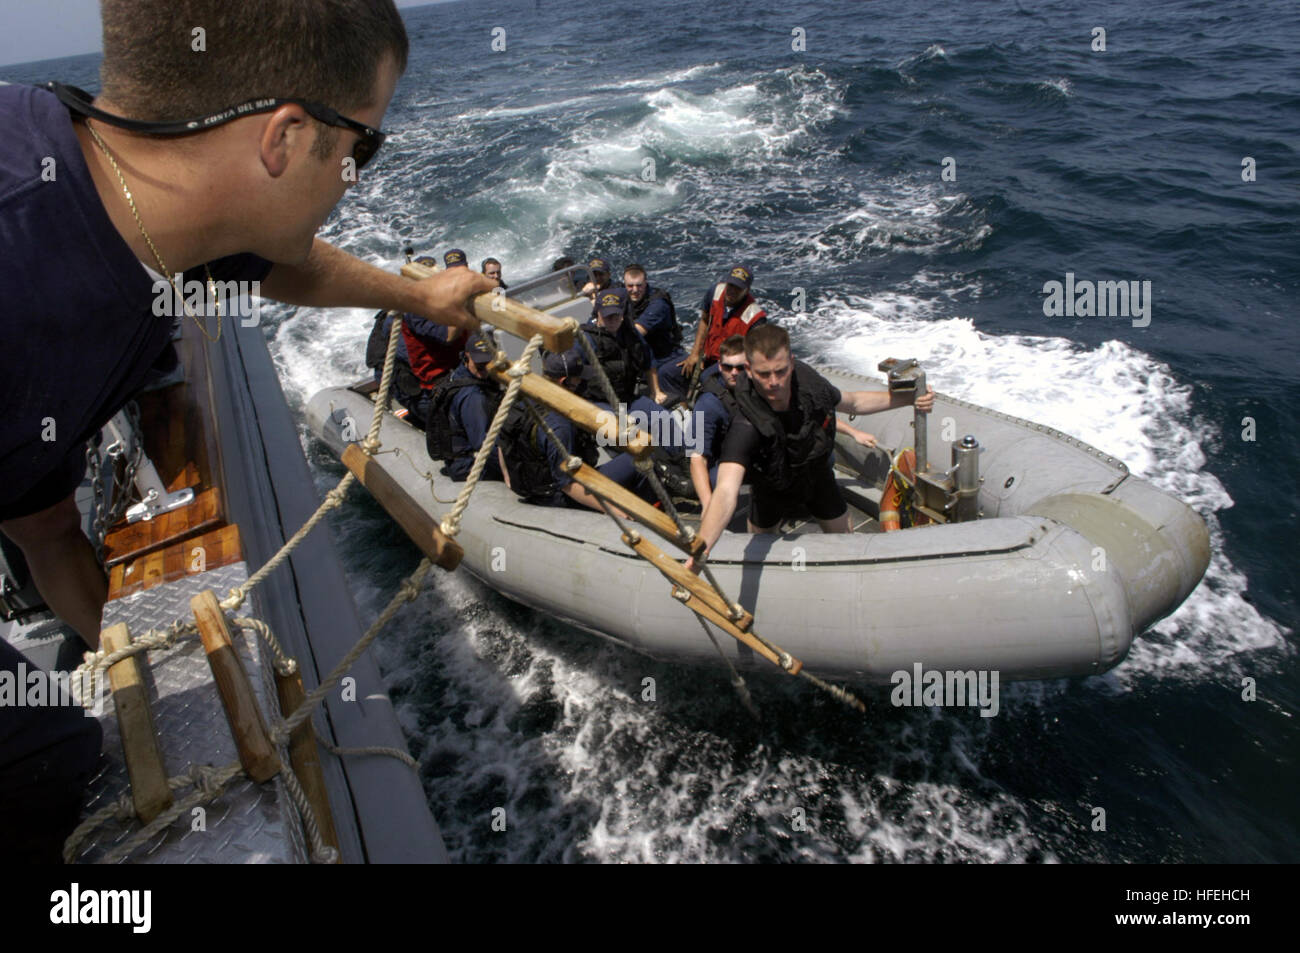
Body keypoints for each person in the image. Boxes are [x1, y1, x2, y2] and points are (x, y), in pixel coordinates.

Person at [0, 0, 493, 859]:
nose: (357, 180)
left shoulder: (143, 198)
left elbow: (269, 260)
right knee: (41, 763)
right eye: (362, 148)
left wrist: (419, 297)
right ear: (288, 138)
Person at [686, 325, 934, 572]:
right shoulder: (746, 423)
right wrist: (703, 548)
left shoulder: (811, 384)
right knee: (758, 549)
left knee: (846, 545)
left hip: (815, 475)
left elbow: (854, 402)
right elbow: (727, 489)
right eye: (764, 374)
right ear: (749, 371)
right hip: (771, 483)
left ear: (791, 363)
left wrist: (909, 399)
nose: (774, 383)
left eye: (781, 371)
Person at [497, 349, 644, 511]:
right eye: (579, 380)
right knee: (639, 459)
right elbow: (568, 485)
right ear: (565, 381)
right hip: (559, 497)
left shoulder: (524, 401)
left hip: (536, 486)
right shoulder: (558, 425)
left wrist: (508, 477)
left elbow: (503, 441)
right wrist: (612, 510)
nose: (583, 384)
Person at [368, 256, 467, 427]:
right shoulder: (411, 313)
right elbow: (447, 337)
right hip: (416, 384)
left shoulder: (428, 307)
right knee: (441, 425)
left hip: (433, 374)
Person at [425, 333, 505, 481]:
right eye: (479, 365)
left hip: (459, 457)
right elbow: (484, 445)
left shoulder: (459, 374)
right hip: (467, 465)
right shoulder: (473, 397)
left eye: (488, 364)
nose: (484, 371)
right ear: (467, 355)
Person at [678, 265, 766, 389]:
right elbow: (704, 320)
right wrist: (694, 354)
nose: (732, 291)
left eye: (738, 289)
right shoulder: (715, 292)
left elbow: (753, 354)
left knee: (706, 379)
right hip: (707, 356)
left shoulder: (756, 317)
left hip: (729, 366)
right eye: (730, 285)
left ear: (747, 290)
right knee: (668, 373)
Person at [687, 335, 747, 510]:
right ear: (720, 366)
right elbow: (697, 457)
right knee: (718, 483)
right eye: (728, 367)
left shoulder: (760, 388)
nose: (734, 373)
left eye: (740, 367)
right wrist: (708, 506)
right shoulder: (708, 404)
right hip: (725, 460)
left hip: (754, 453)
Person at [582, 287, 666, 408]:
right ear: (598, 313)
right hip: (598, 402)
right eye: (607, 316)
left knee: (664, 419)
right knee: (621, 426)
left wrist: (655, 391)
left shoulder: (630, 333)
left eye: (616, 315)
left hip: (626, 397)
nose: (612, 320)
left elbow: (648, 359)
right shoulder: (586, 338)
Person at [623, 264, 686, 399]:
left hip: (667, 357)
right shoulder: (624, 298)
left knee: (664, 375)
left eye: (639, 285)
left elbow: (637, 332)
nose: (635, 290)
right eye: (630, 286)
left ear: (646, 284)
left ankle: (681, 408)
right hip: (644, 358)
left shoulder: (658, 304)